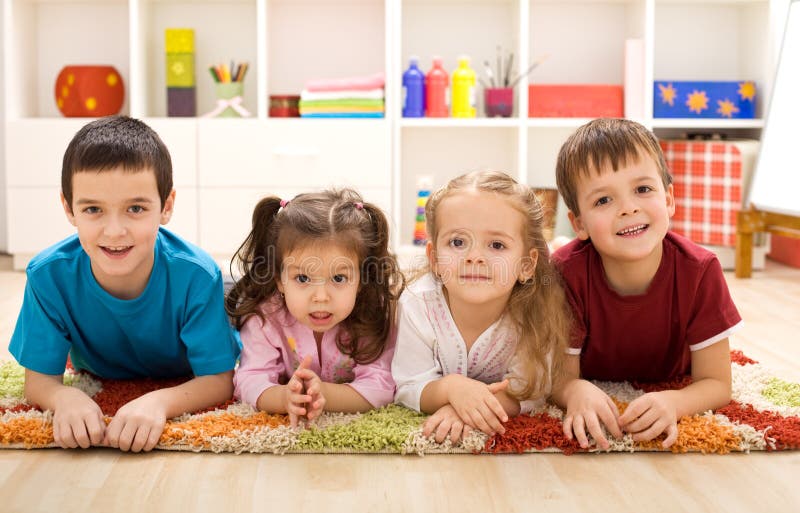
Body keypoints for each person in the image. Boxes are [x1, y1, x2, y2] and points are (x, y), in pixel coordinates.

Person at [8, 115, 240, 452]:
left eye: (135, 208)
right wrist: (64, 397)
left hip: (204, 316)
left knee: (251, 303)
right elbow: (38, 380)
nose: (114, 231)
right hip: (107, 361)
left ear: (167, 206)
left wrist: (160, 402)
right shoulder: (48, 276)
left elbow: (220, 380)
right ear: (68, 208)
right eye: (92, 209)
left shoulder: (199, 276)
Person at [550, 118, 741, 449]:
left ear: (668, 200)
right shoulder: (565, 274)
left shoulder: (700, 270)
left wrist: (676, 403)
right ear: (579, 222)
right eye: (603, 200)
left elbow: (717, 383)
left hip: (670, 376)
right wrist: (574, 390)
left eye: (642, 189)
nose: (629, 208)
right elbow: (557, 377)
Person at [392, 170, 572, 443]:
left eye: (497, 245)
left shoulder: (533, 312)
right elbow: (408, 385)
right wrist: (452, 389)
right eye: (457, 242)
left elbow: (530, 390)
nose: (474, 257)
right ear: (435, 259)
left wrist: (469, 409)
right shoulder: (417, 304)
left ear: (526, 265)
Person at [227, 189, 404, 426]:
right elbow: (249, 379)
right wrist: (284, 397)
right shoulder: (264, 316)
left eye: (339, 279)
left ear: (361, 279)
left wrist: (325, 395)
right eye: (302, 279)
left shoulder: (374, 312)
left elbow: (382, 386)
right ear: (280, 279)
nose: (321, 297)